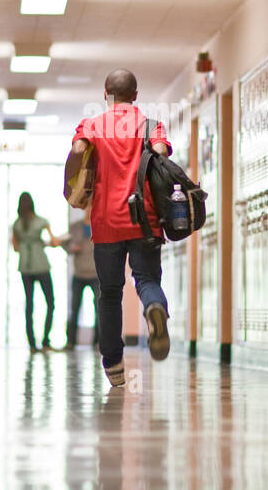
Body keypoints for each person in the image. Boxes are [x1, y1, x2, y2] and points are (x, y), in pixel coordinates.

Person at [69, 69, 171, 389]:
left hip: (106, 222)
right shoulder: (151, 124)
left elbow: (77, 150)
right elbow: (162, 153)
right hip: (144, 220)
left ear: (106, 94)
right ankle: (155, 308)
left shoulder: (93, 124)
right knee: (147, 280)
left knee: (110, 293)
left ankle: (113, 363)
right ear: (136, 95)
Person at [10, 192, 59, 352]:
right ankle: (46, 341)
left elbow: (16, 248)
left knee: (29, 304)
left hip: (25, 265)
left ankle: (32, 343)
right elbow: (54, 242)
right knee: (50, 302)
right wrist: (40, 243)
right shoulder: (42, 222)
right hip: (41, 265)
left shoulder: (17, 225)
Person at [60, 205, 100, 350]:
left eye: (92, 207)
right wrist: (71, 248)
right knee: (74, 308)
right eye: (88, 207)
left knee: (99, 309)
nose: (90, 210)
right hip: (79, 274)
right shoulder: (75, 227)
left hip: (95, 273)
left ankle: (97, 342)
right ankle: (71, 342)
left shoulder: (99, 225)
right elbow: (65, 243)